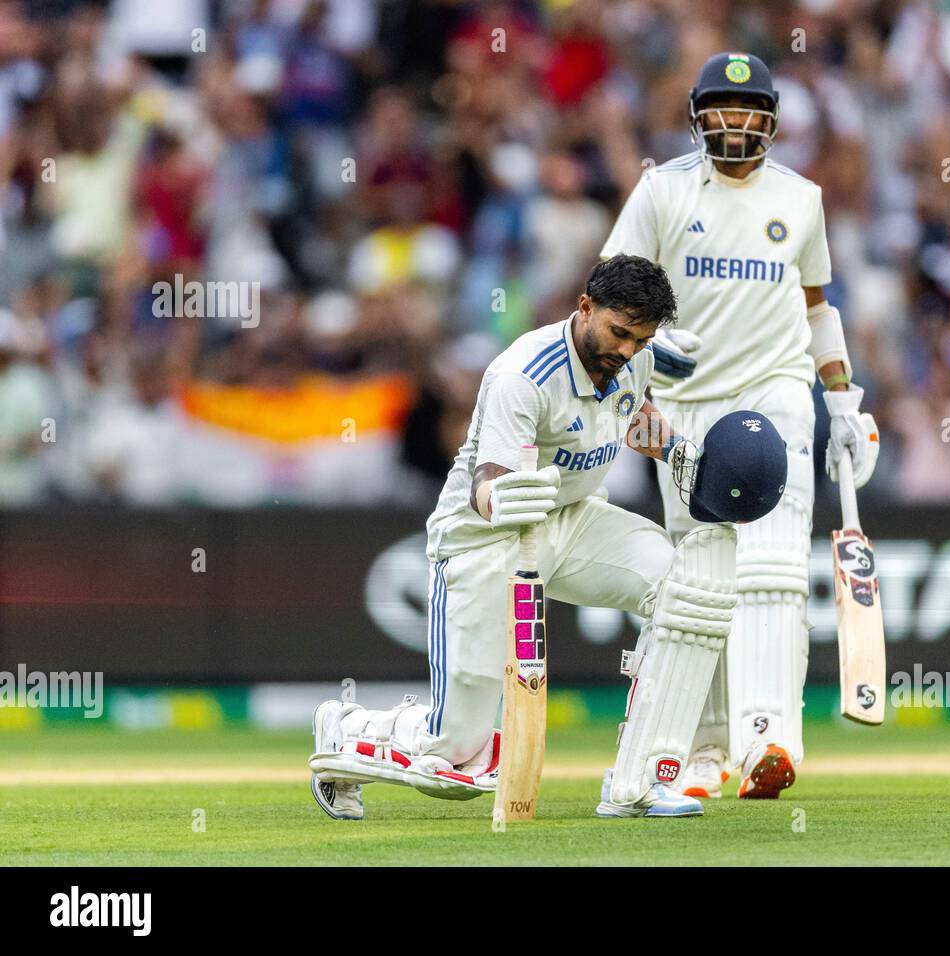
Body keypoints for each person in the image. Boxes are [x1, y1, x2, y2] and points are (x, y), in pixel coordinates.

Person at [307, 254, 786, 819]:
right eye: (620, 333)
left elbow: (626, 406)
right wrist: (499, 497)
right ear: (585, 308)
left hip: (573, 520)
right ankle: (346, 727)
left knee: (683, 584)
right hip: (485, 540)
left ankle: (640, 778)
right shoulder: (523, 374)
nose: (628, 351)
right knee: (456, 760)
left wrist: (658, 434)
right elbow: (487, 479)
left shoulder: (635, 357)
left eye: (642, 339)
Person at [599, 52, 880, 799]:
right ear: (698, 116)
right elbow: (608, 295)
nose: (735, 123)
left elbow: (818, 310)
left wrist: (843, 403)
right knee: (699, 578)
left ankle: (769, 737)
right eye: (721, 108)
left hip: (776, 393)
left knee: (774, 566)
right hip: (684, 408)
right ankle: (701, 750)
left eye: (748, 109)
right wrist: (644, 370)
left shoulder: (803, 198)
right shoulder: (661, 191)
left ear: (772, 121)